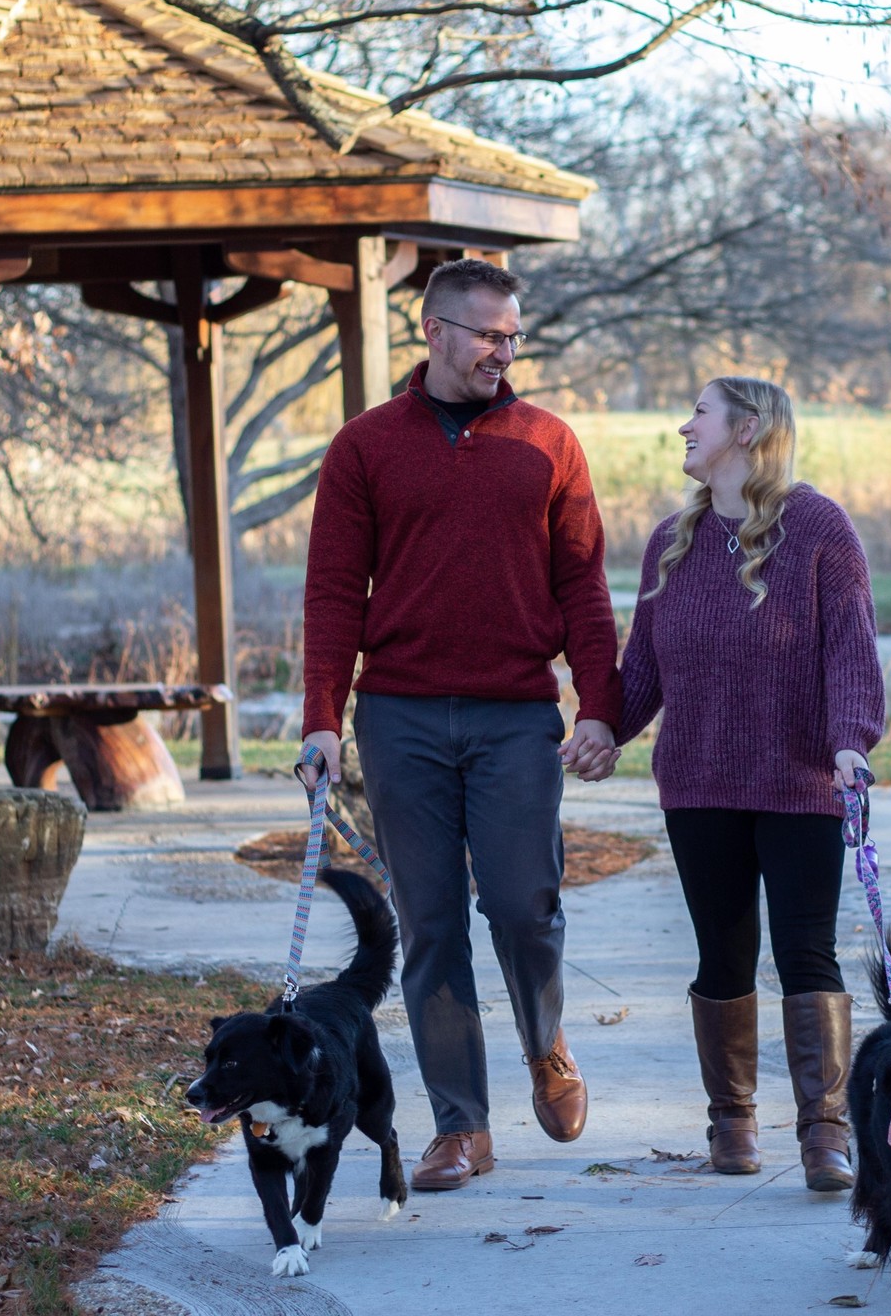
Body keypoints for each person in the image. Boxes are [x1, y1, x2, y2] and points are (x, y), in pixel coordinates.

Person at [299, 258, 622, 1192]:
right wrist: (323, 717)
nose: (504, 351)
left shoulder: (548, 444)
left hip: (515, 712)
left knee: (524, 905)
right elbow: (332, 594)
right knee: (430, 920)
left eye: (513, 336)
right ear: (434, 331)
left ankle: (545, 1040)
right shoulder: (364, 447)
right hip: (398, 715)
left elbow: (583, 588)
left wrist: (597, 704)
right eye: (488, 334)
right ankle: (461, 1127)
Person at [616, 375, 884, 1192]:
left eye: (697, 412)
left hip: (802, 777)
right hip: (698, 782)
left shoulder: (817, 528)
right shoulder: (672, 539)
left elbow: (851, 648)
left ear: (748, 428)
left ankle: (824, 1133)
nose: (683, 426)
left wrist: (850, 743)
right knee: (723, 953)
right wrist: (597, 730)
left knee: (807, 952)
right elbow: (641, 671)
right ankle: (731, 1123)